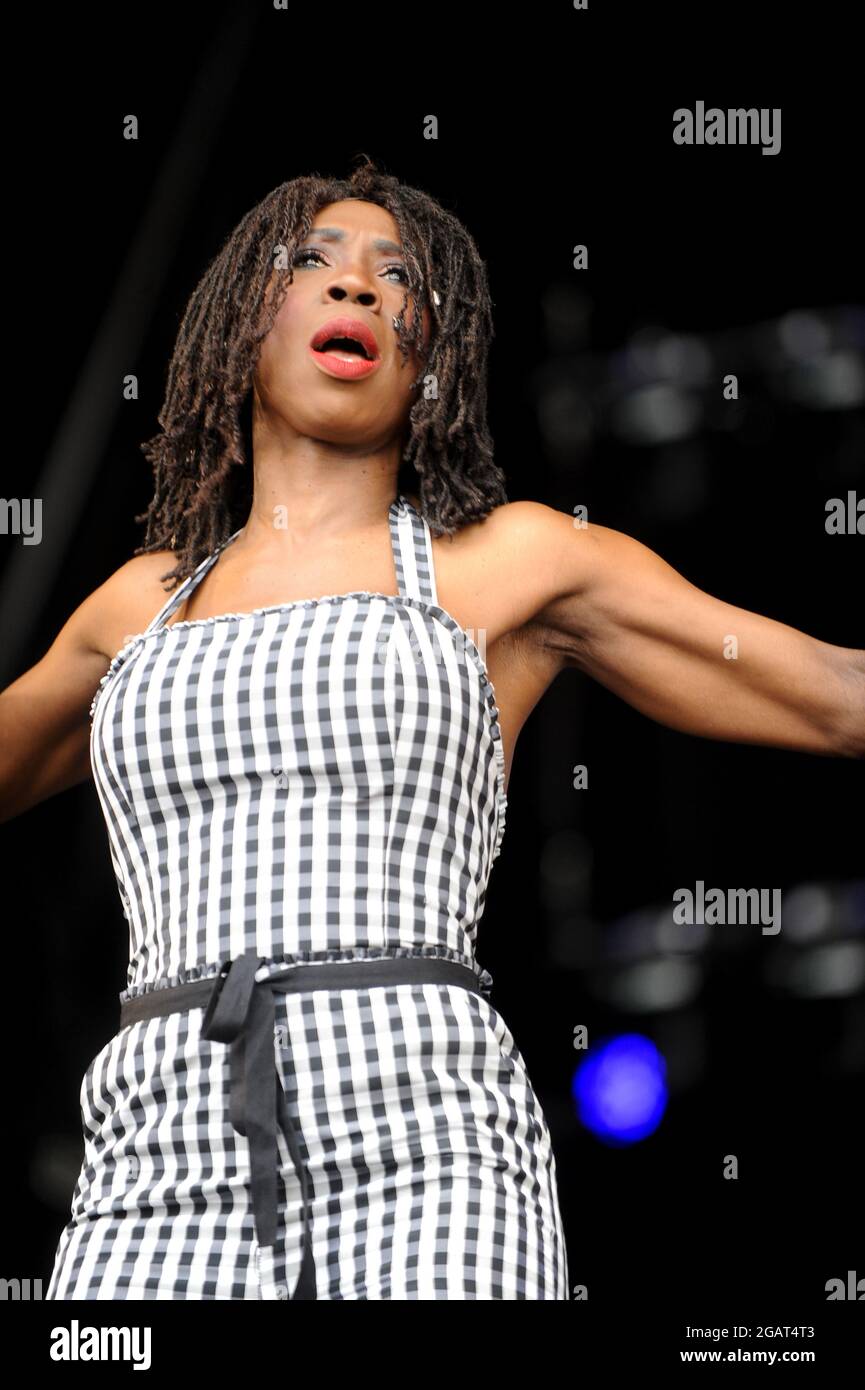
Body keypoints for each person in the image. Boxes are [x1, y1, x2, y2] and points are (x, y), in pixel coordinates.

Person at [1, 159, 861, 1301]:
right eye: (309, 260)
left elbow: (831, 689)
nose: (354, 286)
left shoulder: (508, 562)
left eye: (396, 276)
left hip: (426, 1137)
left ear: (435, 356)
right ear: (234, 323)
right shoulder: (139, 604)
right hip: (157, 1141)